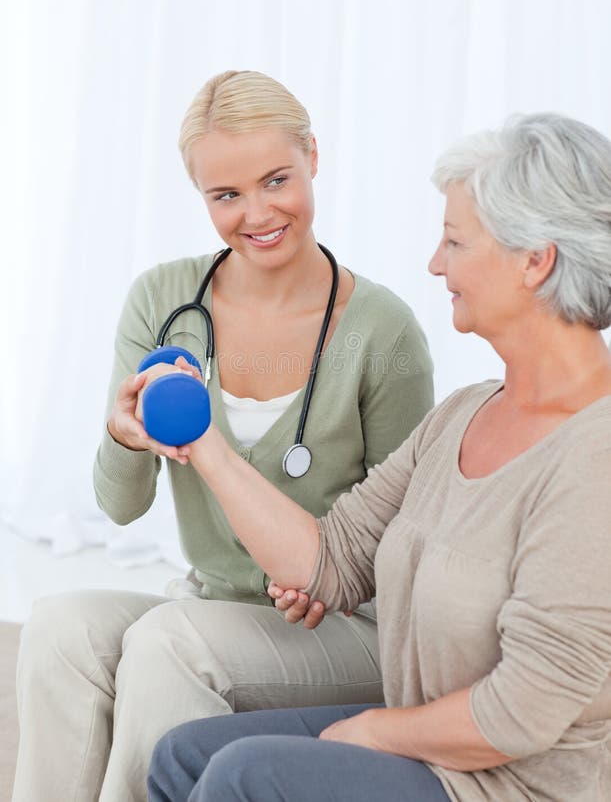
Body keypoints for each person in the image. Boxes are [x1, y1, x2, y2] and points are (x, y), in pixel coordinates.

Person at [147, 112, 611, 802]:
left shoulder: (593, 456)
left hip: (515, 783)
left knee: (248, 776)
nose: (434, 263)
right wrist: (203, 444)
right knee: (184, 755)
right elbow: (328, 561)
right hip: (432, 747)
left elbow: (523, 709)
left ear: (533, 260)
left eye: (454, 241)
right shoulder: (461, 415)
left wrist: (374, 732)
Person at [12, 70, 434, 802]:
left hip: (342, 627)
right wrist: (126, 437)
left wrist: (331, 576)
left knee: (170, 644)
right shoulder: (164, 301)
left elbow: (409, 537)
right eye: (225, 195)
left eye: (276, 179)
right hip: (212, 601)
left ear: (312, 156)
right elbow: (119, 507)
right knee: (59, 628)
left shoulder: (382, 331)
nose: (257, 213)